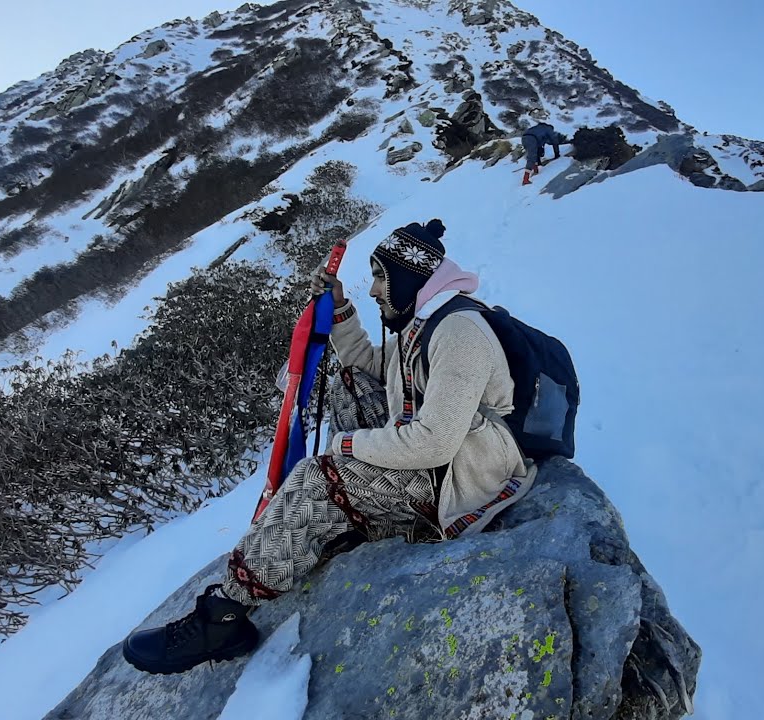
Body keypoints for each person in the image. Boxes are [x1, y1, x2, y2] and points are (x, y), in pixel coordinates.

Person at [121, 219, 538, 675]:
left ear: (409, 278)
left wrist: (346, 447)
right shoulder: (426, 322)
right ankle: (347, 515)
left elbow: (435, 442)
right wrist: (339, 307)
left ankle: (223, 617)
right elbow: (368, 366)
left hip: (465, 472)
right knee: (348, 384)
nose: (376, 290)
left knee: (318, 477)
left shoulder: (458, 332)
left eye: (382, 277)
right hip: (442, 453)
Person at [521, 121, 571, 185]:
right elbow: (554, 141)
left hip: (524, 138)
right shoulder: (549, 129)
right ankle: (525, 179)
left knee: (534, 154)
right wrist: (557, 154)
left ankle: (536, 170)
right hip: (532, 139)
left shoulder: (538, 128)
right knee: (532, 157)